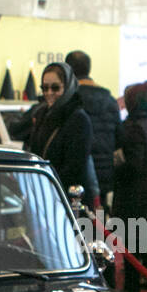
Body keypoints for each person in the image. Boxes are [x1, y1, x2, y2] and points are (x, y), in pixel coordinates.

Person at [113, 83, 147, 292]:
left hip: (132, 200)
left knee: (132, 258)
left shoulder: (133, 128)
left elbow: (132, 165)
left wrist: (115, 161)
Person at [26, 61, 91, 197]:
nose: (49, 93)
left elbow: (74, 167)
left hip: (66, 196)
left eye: (55, 88)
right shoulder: (41, 114)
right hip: (42, 192)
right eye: (45, 88)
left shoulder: (78, 119)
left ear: (67, 87)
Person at [66, 50, 121, 204]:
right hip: (104, 175)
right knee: (96, 223)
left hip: (77, 175)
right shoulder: (110, 101)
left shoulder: (69, 101)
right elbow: (119, 138)